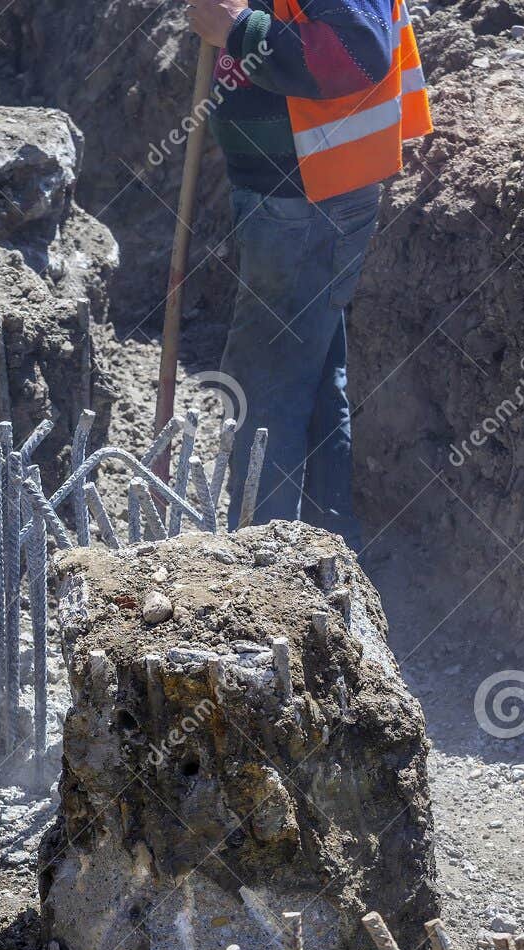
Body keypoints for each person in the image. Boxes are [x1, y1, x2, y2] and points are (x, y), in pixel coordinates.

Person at [185, 0, 432, 550]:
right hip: (297, 194)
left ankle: (262, 569)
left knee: (264, 386)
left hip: (308, 200)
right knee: (314, 375)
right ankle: (326, 552)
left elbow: (355, 52)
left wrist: (237, 28)